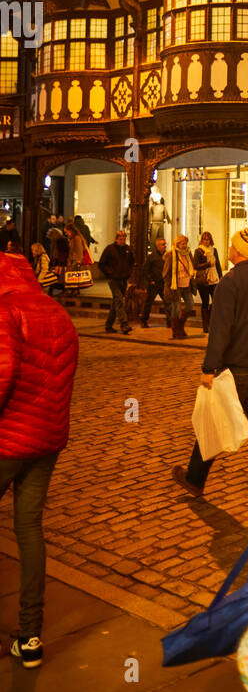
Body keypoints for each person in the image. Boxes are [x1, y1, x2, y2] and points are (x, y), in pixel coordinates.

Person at [0, 250, 79, 667]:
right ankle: (30, 635)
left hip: (7, 439)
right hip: (46, 439)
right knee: (29, 529)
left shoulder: (6, 310)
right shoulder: (56, 312)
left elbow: (3, 372)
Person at [173, 224, 248, 500]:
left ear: (240, 251)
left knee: (214, 419)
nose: (230, 249)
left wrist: (210, 367)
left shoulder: (229, 283)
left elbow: (220, 330)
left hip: (236, 369)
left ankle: (195, 479)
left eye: (233, 246)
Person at [98, 229, 134, 335]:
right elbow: (101, 264)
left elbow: (132, 262)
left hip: (123, 278)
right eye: (120, 239)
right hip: (113, 279)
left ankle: (108, 325)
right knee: (119, 300)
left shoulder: (127, 249)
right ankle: (124, 324)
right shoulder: (110, 249)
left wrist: (129, 272)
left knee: (115, 303)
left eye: (124, 239)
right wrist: (109, 272)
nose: (122, 241)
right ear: (116, 239)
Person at [163, 234, 196, 339]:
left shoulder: (188, 253)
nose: (184, 245)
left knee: (190, 304)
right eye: (182, 243)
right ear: (177, 244)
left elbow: (192, 266)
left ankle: (180, 326)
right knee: (176, 308)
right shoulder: (171, 255)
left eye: (185, 243)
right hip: (175, 286)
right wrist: (169, 285)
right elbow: (165, 272)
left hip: (186, 285)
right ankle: (176, 330)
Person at [193, 231, 223, 333]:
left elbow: (217, 264)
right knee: (205, 302)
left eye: (208, 239)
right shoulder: (198, 251)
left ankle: (211, 323)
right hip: (203, 280)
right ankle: (205, 326)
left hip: (214, 279)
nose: (206, 241)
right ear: (201, 240)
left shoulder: (214, 250)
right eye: (205, 239)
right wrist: (208, 264)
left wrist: (220, 276)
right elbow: (195, 266)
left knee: (215, 301)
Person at [140, 238, 170, 329]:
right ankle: (144, 320)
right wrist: (150, 280)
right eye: (162, 244)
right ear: (157, 246)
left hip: (164, 283)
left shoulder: (168, 256)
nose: (164, 246)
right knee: (149, 302)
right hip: (154, 283)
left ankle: (170, 321)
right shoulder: (152, 257)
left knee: (167, 302)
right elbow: (145, 270)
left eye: (165, 244)